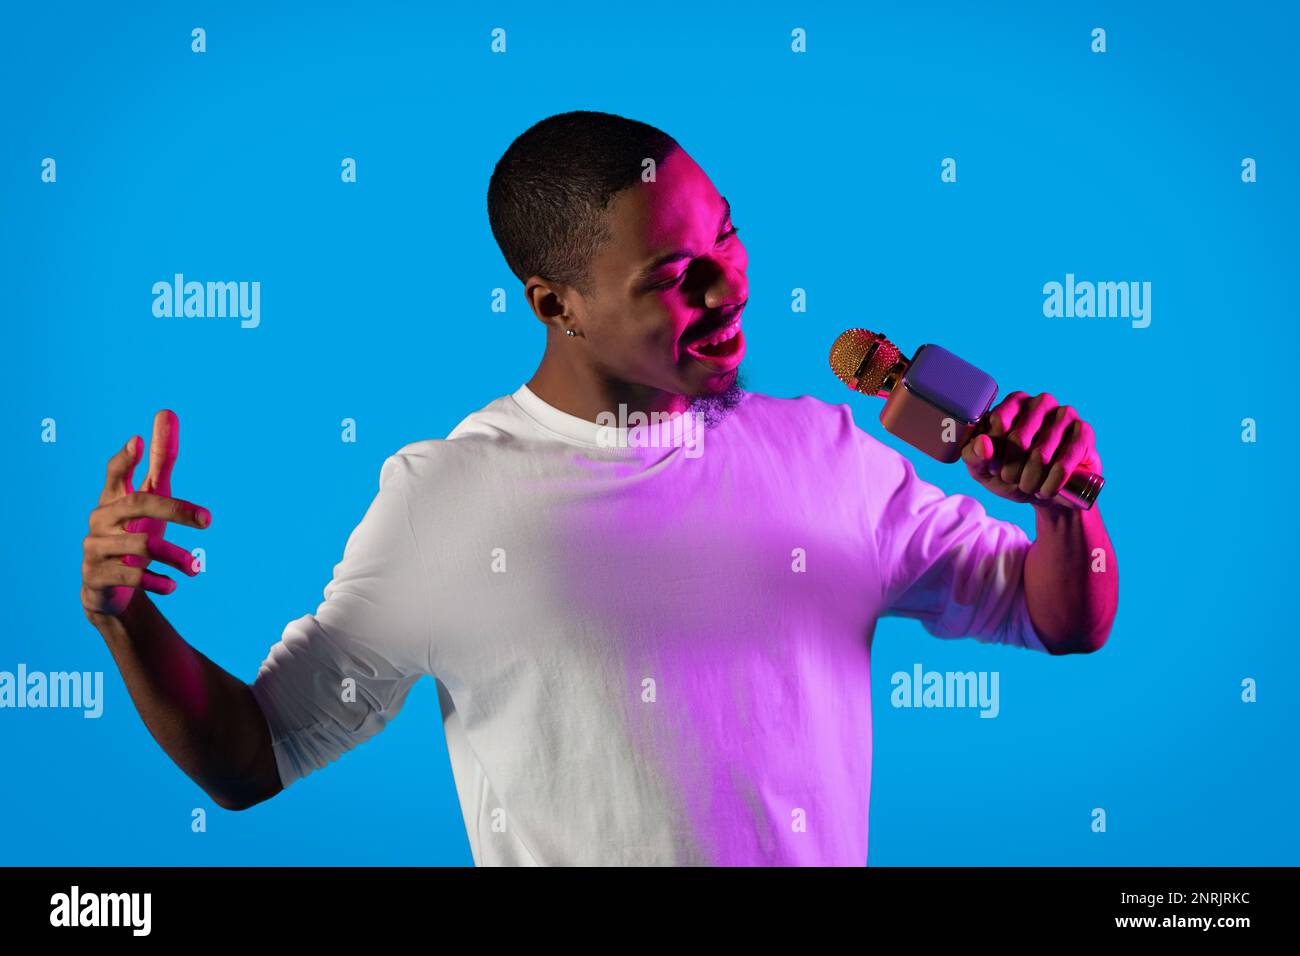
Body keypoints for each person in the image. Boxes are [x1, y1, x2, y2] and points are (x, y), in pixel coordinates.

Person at [80, 110, 1118, 866]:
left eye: (726, 235)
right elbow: (253, 756)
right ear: (556, 303)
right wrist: (128, 622)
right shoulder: (447, 499)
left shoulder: (826, 451)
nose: (730, 286)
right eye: (673, 277)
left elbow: (1058, 617)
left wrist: (1063, 508)